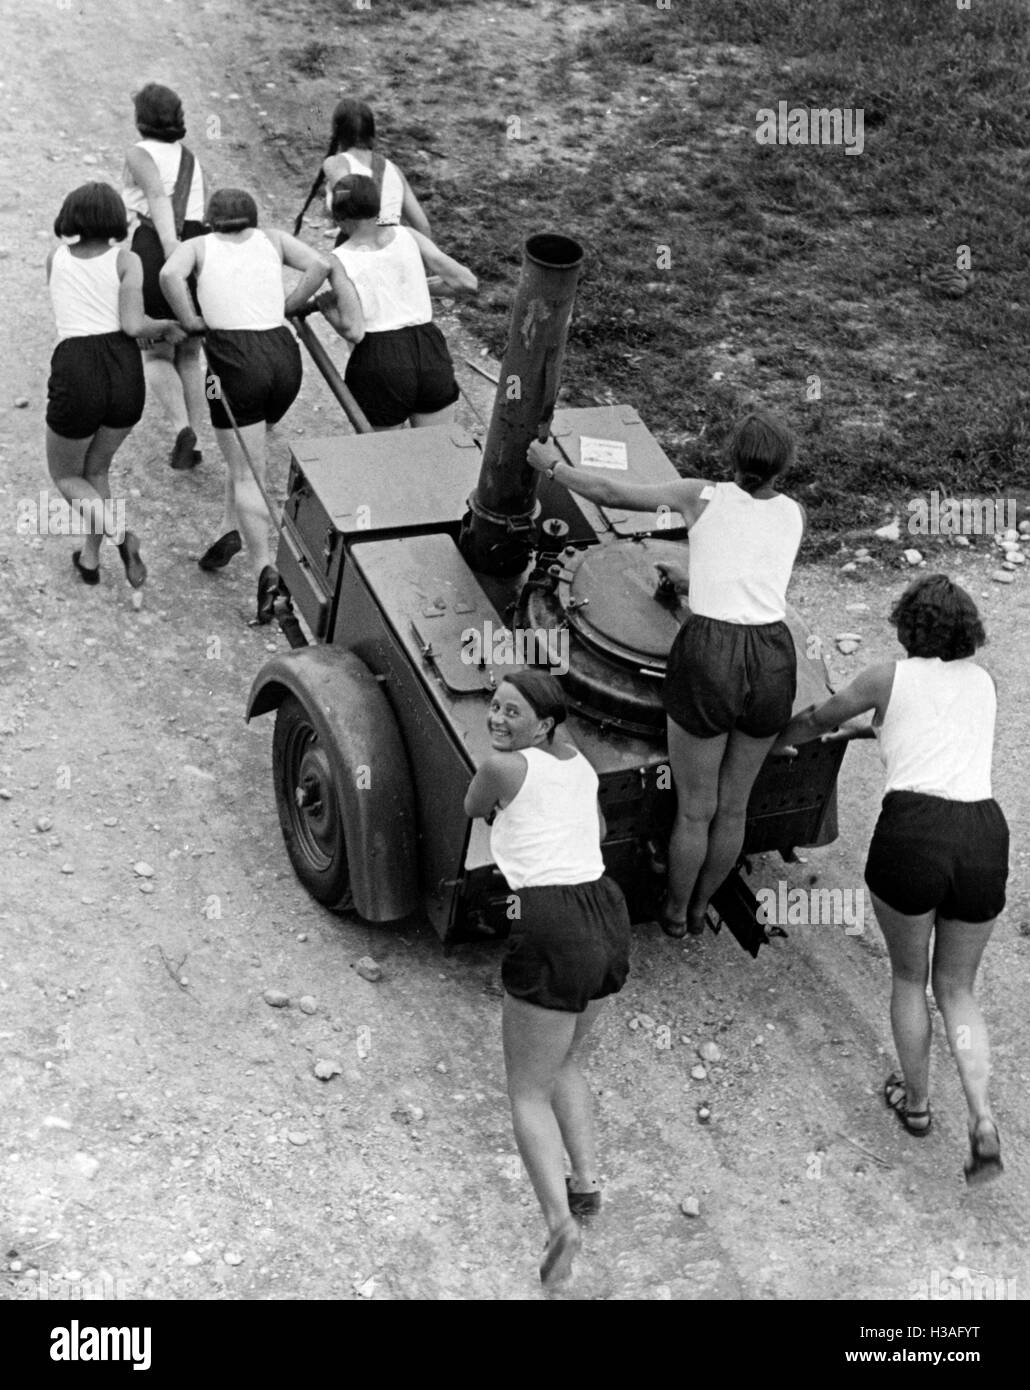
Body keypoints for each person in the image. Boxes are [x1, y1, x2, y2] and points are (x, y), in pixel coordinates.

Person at [528, 410, 805, 937]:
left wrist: (552, 468)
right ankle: (704, 906)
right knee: (733, 807)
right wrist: (695, 579)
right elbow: (752, 570)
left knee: (696, 808)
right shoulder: (795, 512)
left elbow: (610, 491)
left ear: (732, 456)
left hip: (711, 653)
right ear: (783, 467)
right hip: (772, 655)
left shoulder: (700, 495)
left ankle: (676, 913)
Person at [774, 575, 1008, 1185]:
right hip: (983, 835)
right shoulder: (982, 684)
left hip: (914, 834)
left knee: (909, 977)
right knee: (957, 990)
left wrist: (774, 743)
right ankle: (982, 1117)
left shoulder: (887, 676)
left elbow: (821, 716)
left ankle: (919, 1103)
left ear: (908, 626)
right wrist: (868, 729)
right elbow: (920, 727)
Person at [463, 671, 631, 1289]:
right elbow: (601, 833)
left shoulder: (502, 768)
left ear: (545, 723)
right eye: (495, 707)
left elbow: (472, 809)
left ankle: (560, 1224)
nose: (498, 720)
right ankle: (584, 1182)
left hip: (551, 919)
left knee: (526, 1090)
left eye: (513, 712)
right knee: (565, 1061)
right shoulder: (580, 765)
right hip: (605, 910)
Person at [160, 188, 352, 622]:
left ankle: (266, 568)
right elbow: (321, 264)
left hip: (234, 358)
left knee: (248, 469)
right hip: (283, 356)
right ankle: (229, 530)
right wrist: (289, 304)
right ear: (251, 218)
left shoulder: (198, 246)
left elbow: (170, 275)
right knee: (247, 452)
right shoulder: (274, 239)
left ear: (211, 221)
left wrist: (190, 320)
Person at [46, 182, 184, 588]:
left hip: (77, 365)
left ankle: (121, 533)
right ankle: (90, 560)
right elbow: (133, 325)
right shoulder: (128, 260)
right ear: (114, 219)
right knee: (97, 469)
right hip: (123, 368)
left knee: (67, 477)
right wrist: (168, 327)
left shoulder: (54, 260)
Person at [317, 174, 476, 431]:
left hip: (380, 359)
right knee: (435, 453)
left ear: (340, 219)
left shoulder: (338, 258)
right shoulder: (408, 234)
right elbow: (466, 282)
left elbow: (354, 331)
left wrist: (329, 313)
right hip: (429, 349)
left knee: (385, 460)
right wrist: (415, 288)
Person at [121, 82, 207, 471]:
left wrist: (171, 251)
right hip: (196, 246)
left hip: (159, 246)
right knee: (190, 352)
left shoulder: (139, 153)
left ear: (141, 119)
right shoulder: (191, 158)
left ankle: (180, 428)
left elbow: (156, 197)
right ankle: (199, 437)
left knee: (155, 350)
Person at [292, 97, 431, 240]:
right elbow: (423, 226)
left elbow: (347, 204)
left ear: (337, 131)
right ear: (371, 131)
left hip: (363, 248)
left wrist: (331, 213)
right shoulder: (393, 169)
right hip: (395, 247)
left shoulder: (335, 163)